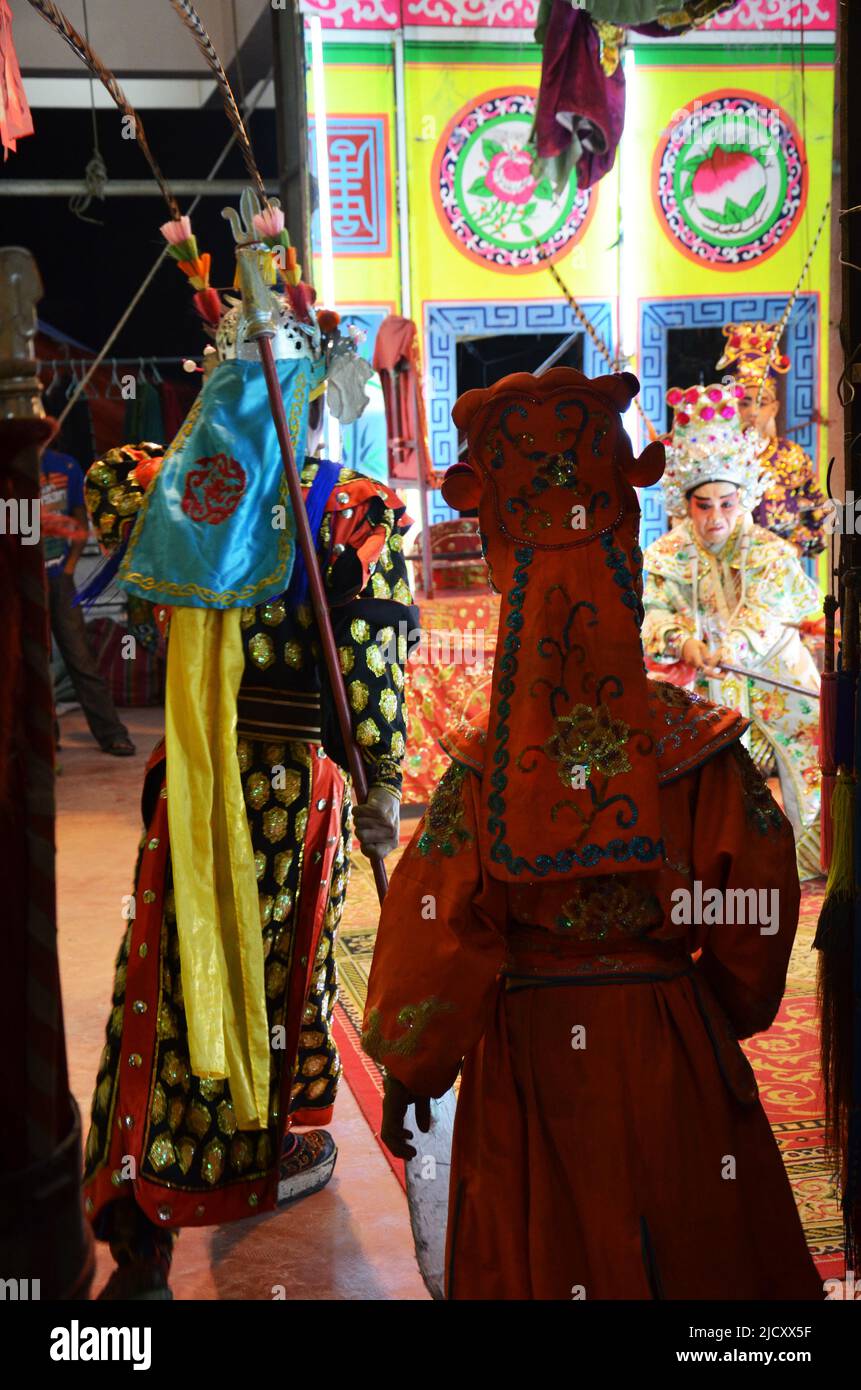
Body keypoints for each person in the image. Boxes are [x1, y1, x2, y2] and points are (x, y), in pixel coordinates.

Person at [362, 365, 822, 1301]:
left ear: (500, 557)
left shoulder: (487, 766)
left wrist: (414, 1065)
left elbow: (435, 919)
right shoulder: (693, 748)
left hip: (531, 1051)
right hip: (666, 1037)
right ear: (627, 535)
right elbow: (755, 906)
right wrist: (708, 1011)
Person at [81, 208, 416, 1300]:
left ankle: (143, 1198)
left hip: (191, 778)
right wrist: (380, 801)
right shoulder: (349, 512)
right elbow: (369, 687)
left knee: (171, 966)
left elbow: (110, 482)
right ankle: (264, 1152)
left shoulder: (164, 492)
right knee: (281, 975)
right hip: (292, 787)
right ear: (317, 389)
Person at [642, 382, 821, 879]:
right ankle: (714, 865)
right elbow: (654, 612)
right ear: (686, 504)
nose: (715, 516)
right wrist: (683, 640)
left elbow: (762, 615)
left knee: (811, 741)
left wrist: (728, 647)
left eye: (726, 503)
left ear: (742, 498)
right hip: (703, 681)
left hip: (772, 672)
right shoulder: (665, 554)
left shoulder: (769, 552)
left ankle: (812, 860)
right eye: (704, 505)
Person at [41, 443, 135, 757]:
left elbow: (81, 521)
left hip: (59, 579)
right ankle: (46, 738)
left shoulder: (64, 465)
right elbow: (12, 528)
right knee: (33, 660)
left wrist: (68, 568)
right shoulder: (11, 468)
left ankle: (112, 733)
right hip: (26, 579)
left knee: (80, 656)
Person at [715, 320, 828, 559]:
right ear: (733, 406)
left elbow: (820, 514)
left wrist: (795, 547)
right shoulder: (717, 454)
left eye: (762, 403)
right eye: (745, 403)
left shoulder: (791, 456)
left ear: (774, 409)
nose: (753, 412)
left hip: (779, 574)